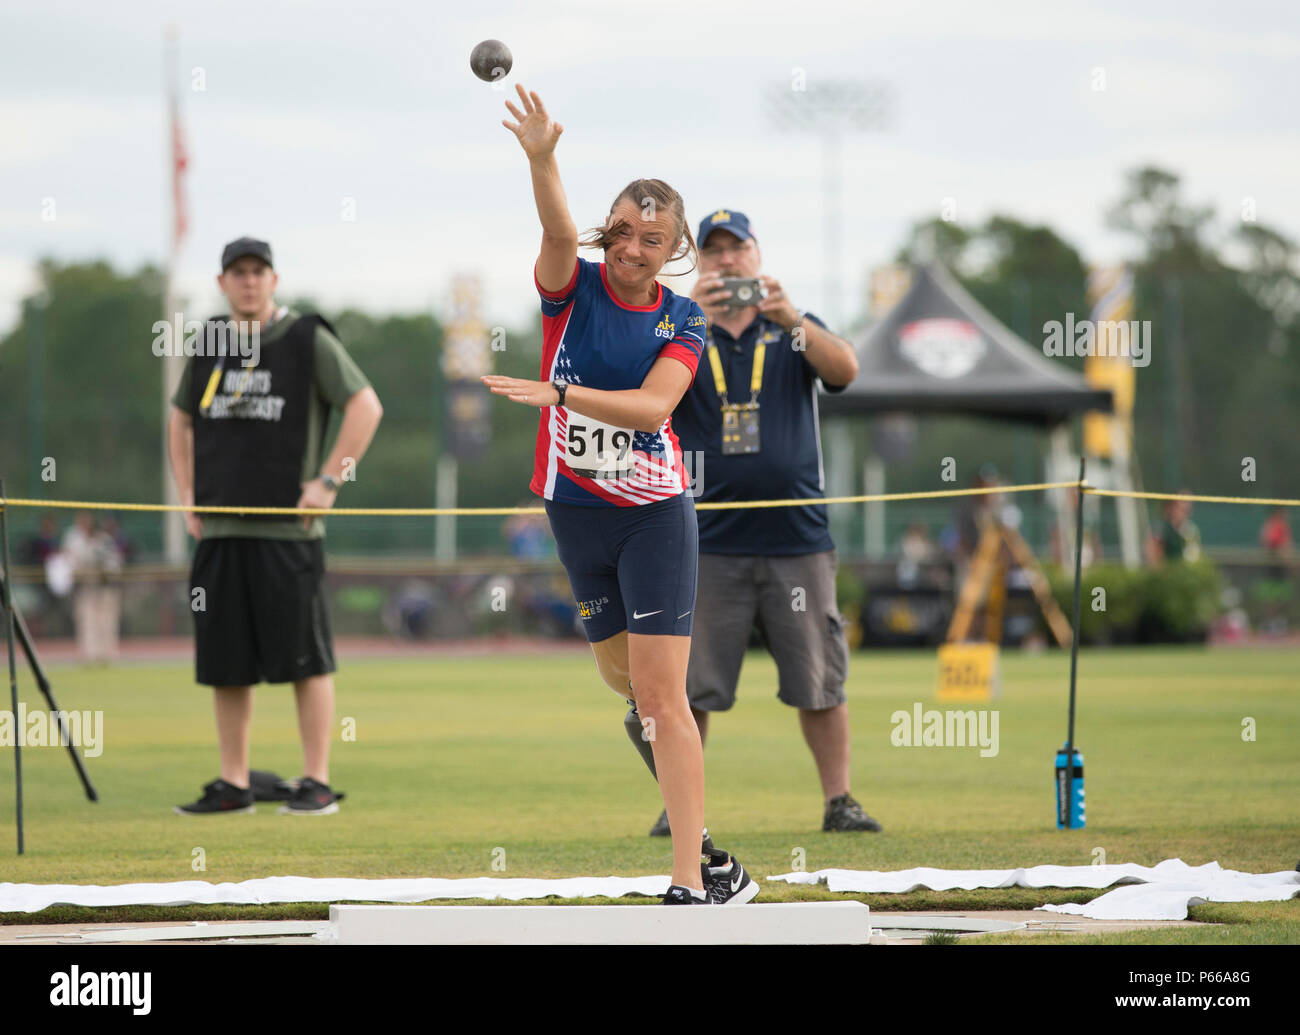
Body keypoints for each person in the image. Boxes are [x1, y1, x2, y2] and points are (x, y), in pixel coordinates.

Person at [481, 85, 756, 905]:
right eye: (624, 230)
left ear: (674, 250)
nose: (633, 247)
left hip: (654, 517)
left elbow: (652, 410)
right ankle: (710, 850)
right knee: (626, 686)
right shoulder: (571, 286)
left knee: (664, 698)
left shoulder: (682, 319)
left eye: (653, 238)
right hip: (574, 514)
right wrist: (541, 157)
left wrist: (558, 397)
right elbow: (558, 231)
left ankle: (687, 882)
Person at [650, 207, 880, 837]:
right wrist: (682, 312)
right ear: (699, 262)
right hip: (705, 541)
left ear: (757, 255)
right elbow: (639, 388)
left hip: (795, 538)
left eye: (737, 248)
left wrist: (790, 318)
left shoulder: (795, 330)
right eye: (714, 250)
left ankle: (839, 800)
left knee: (820, 680)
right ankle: (681, 808)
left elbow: (846, 370)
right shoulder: (682, 329)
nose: (727, 260)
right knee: (690, 688)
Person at [167, 237, 383, 815]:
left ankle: (315, 780)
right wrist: (188, 495)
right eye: (237, 272)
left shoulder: (308, 338)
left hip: (290, 532)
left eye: (258, 271)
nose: (248, 281)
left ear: (274, 279)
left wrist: (330, 481)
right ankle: (234, 783)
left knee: (305, 661)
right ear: (222, 283)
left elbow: (366, 405)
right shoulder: (209, 341)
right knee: (225, 664)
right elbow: (181, 420)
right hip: (220, 530)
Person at [61, 511, 123, 663]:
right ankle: (89, 654)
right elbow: (68, 562)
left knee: (107, 621)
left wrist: (106, 572)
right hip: (85, 585)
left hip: (105, 586)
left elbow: (115, 563)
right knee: (86, 620)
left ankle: (108, 654)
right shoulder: (74, 540)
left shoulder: (104, 540)